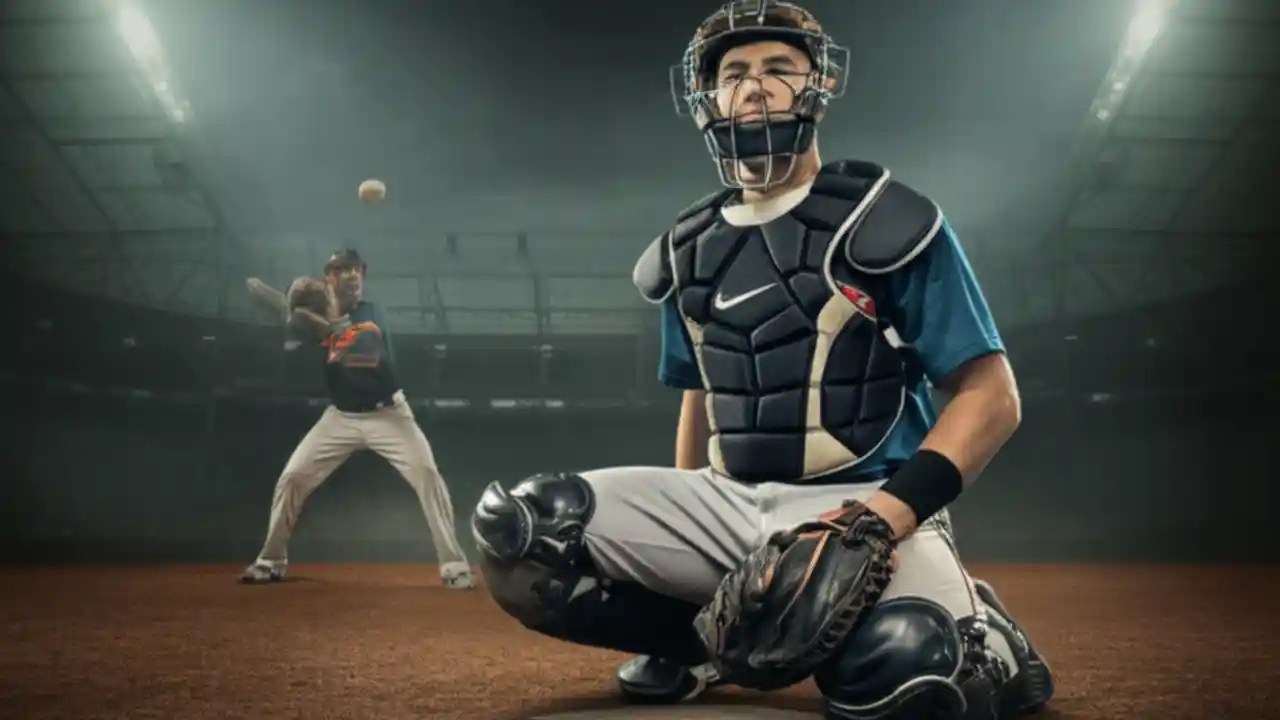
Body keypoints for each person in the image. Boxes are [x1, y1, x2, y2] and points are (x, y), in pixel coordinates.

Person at [471, 2, 1054, 718]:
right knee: (526, 533)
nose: (753, 86)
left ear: (820, 85)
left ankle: (985, 633)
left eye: (779, 68)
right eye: (734, 73)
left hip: (866, 501)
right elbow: (703, 398)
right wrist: (683, 556)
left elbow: (991, 395)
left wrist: (884, 518)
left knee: (907, 670)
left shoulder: (885, 216)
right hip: (727, 502)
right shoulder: (688, 247)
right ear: (708, 98)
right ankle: (700, 650)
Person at [240, 248, 473, 590]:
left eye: (355, 269)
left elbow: (358, 351)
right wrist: (275, 298)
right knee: (293, 477)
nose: (351, 274)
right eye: (341, 269)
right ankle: (270, 560)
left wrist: (306, 313)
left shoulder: (372, 313)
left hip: (390, 415)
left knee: (427, 475)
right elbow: (296, 320)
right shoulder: (316, 316)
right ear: (329, 278)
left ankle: (454, 565)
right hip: (341, 417)